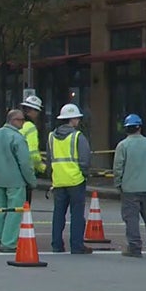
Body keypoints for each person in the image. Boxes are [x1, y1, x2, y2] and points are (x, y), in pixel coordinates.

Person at [113, 114, 146, 258]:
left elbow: (118, 168)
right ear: (140, 127)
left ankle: (135, 247)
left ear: (126, 129)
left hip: (129, 188)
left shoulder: (123, 145)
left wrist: (118, 185)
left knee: (131, 219)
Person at [46, 103, 93, 254]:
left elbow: (49, 159)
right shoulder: (77, 136)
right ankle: (77, 245)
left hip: (59, 181)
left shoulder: (51, 136)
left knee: (58, 214)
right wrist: (85, 174)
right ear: (72, 119)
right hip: (76, 180)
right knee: (77, 215)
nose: (78, 121)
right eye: (77, 118)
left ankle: (57, 245)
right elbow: (85, 160)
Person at [0, 109, 37, 252]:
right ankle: (9, 242)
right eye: (21, 120)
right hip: (15, 180)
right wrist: (31, 181)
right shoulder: (17, 138)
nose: (23, 122)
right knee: (14, 212)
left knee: (0, 210)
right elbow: (25, 163)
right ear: (13, 120)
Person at [20, 95, 45, 203]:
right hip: (24, 172)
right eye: (37, 111)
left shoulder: (14, 124)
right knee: (25, 207)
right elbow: (33, 154)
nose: (38, 115)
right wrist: (42, 168)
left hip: (9, 172)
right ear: (32, 111)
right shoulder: (30, 127)